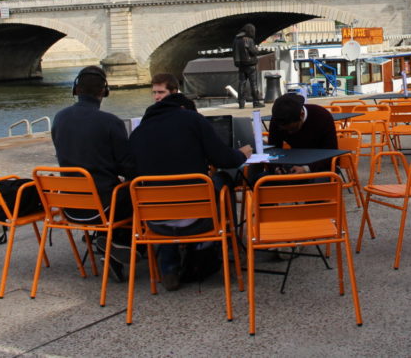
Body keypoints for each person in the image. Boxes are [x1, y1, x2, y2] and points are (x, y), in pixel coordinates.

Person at [129, 80, 253, 291]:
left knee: (159, 194)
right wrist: (241, 154)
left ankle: (168, 269)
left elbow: (130, 172)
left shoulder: (138, 133)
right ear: (185, 108)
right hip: (199, 221)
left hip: (155, 224)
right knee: (222, 180)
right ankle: (228, 245)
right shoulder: (192, 120)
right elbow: (224, 159)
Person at [50, 65, 136, 271]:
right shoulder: (110, 122)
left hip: (70, 206)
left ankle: (108, 241)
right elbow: (127, 166)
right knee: (135, 191)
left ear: (75, 90)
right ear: (103, 91)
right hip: (104, 206)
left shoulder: (59, 118)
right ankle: (119, 243)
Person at [267, 92, 339, 173]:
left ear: (301, 115)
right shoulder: (277, 120)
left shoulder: (322, 117)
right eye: (284, 130)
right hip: (293, 163)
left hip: (320, 167)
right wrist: (276, 167)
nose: (289, 133)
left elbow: (332, 154)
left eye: (293, 129)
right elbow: (273, 150)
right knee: (260, 180)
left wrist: (306, 169)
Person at [232, 23, 264, 109]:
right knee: (253, 84)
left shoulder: (236, 39)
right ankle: (256, 102)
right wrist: (257, 51)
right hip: (250, 64)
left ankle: (241, 103)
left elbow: (234, 52)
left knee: (241, 83)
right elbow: (253, 51)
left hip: (241, 65)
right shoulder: (249, 39)